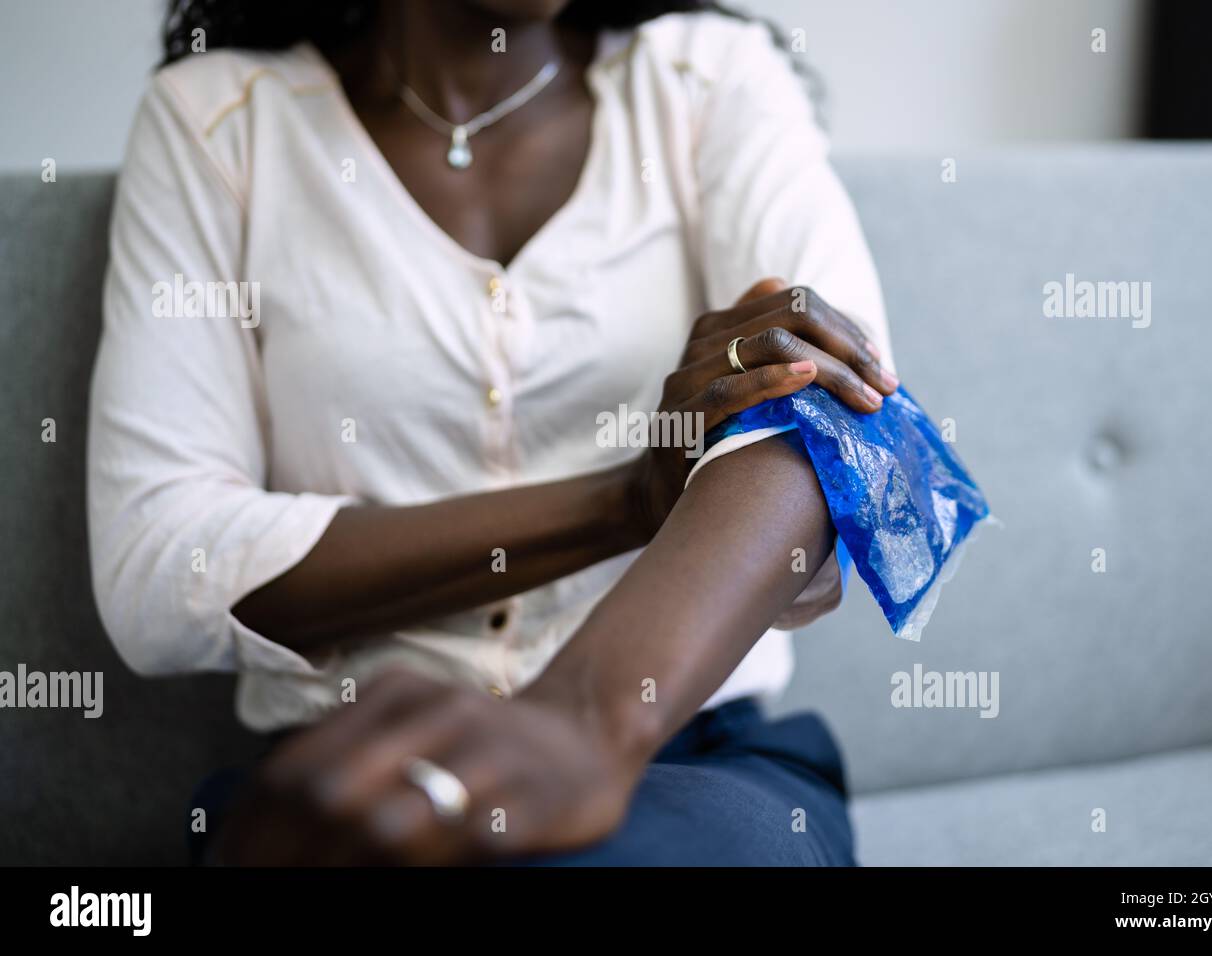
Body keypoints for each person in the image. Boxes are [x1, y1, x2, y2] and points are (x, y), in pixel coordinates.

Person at [88, 0, 898, 865]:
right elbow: (161, 564)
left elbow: (839, 422)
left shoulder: (707, 78)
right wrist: (627, 500)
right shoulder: (219, 121)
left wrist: (586, 720)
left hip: (699, 765)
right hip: (353, 770)